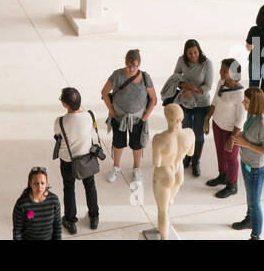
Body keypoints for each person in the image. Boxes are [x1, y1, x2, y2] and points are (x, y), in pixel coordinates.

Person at [162, 39, 215, 178]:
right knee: (185, 130)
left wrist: (194, 90)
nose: (193, 56)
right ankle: (187, 157)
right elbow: (175, 79)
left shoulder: (207, 64)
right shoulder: (181, 61)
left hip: (201, 103)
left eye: (195, 52)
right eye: (190, 53)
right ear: (185, 53)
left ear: (199, 51)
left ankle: (196, 161)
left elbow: (208, 86)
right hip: (185, 102)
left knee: (198, 133)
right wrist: (185, 86)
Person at [101, 49, 156, 182]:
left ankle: (136, 169)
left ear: (139, 65)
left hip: (138, 119)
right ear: (125, 62)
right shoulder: (117, 75)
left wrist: (144, 118)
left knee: (137, 145)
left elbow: (153, 99)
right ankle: (116, 167)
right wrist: (112, 112)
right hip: (119, 117)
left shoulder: (145, 77)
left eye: (134, 66)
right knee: (118, 143)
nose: (131, 69)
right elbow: (104, 92)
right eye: (129, 65)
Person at [53, 87, 99, 234]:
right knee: (90, 186)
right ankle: (94, 217)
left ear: (65, 104)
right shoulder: (90, 116)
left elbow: (57, 135)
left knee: (69, 188)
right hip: (87, 158)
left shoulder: (60, 121)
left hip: (68, 160)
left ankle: (70, 221)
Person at [230, 87, 264, 240]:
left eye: (247, 101)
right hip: (246, 162)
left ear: (255, 104)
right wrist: (243, 135)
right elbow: (251, 133)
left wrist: (246, 144)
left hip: (255, 169)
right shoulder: (251, 114)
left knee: (255, 204)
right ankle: (249, 220)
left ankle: (255, 236)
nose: (243, 103)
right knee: (250, 198)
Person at [206, 58, 245, 198]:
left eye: (224, 70)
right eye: (221, 68)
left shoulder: (240, 94)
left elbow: (241, 119)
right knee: (220, 152)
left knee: (231, 157)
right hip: (217, 124)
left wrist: (232, 139)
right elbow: (215, 101)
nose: (220, 72)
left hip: (231, 130)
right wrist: (207, 118)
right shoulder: (221, 82)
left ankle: (232, 185)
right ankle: (222, 175)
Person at [12, 167, 61, 240]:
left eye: (42, 183)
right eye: (36, 183)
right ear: (30, 184)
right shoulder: (22, 204)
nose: (39, 187)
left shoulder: (54, 201)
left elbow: (57, 227)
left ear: (46, 183)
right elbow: (17, 231)